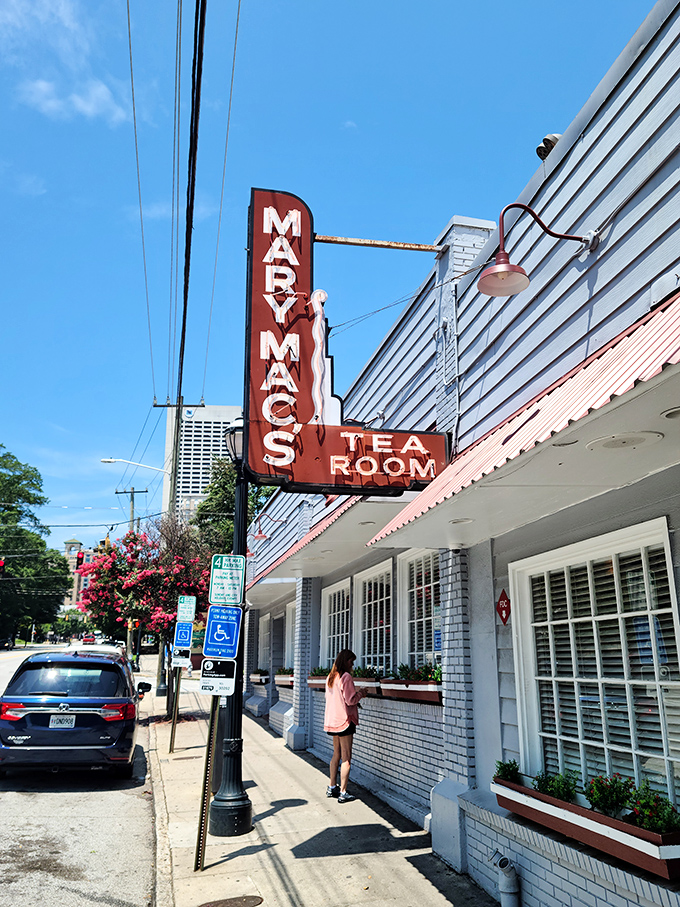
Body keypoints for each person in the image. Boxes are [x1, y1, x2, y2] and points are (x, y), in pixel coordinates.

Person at [323, 648, 367, 803]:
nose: (352, 665)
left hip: (332, 721)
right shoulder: (345, 677)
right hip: (345, 721)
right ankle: (343, 792)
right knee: (347, 758)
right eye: (351, 662)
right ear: (346, 661)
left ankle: (331, 786)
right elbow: (350, 700)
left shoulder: (331, 677)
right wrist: (361, 693)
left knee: (336, 754)